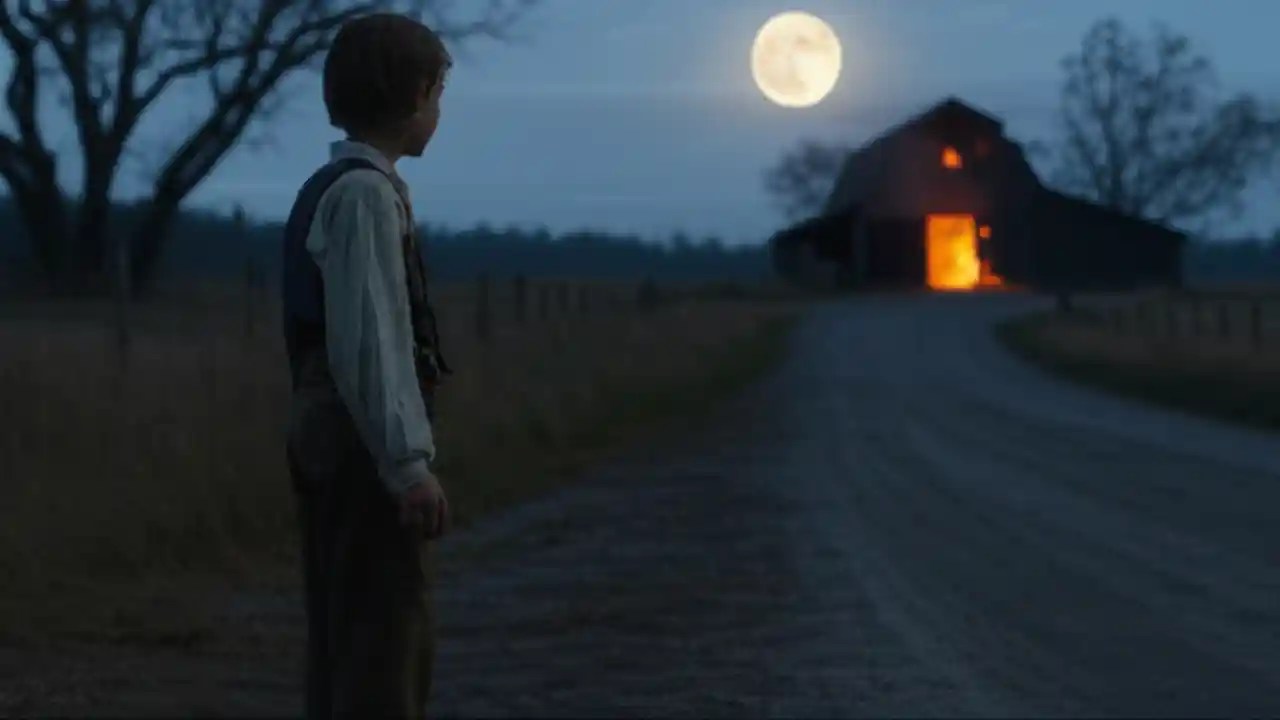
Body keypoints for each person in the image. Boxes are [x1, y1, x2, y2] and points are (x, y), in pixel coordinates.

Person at [280, 12, 454, 719]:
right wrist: (407, 464)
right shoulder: (360, 196)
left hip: (337, 438)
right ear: (416, 93)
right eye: (439, 94)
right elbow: (369, 342)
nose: (439, 111)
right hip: (357, 444)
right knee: (382, 631)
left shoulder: (353, 187)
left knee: (348, 625)